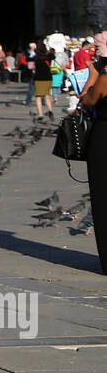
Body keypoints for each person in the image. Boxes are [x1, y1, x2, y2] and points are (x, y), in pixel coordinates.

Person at [79, 53, 107, 273]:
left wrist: (93, 75)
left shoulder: (105, 79)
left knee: (102, 197)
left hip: (103, 140)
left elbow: (86, 100)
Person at [33, 44, 54, 119]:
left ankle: (40, 114)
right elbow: (53, 55)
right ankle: (50, 110)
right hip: (48, 77)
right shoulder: (48, 57)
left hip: (39, 78)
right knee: (47, 96)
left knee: (38, 97)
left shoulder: (36, 57)